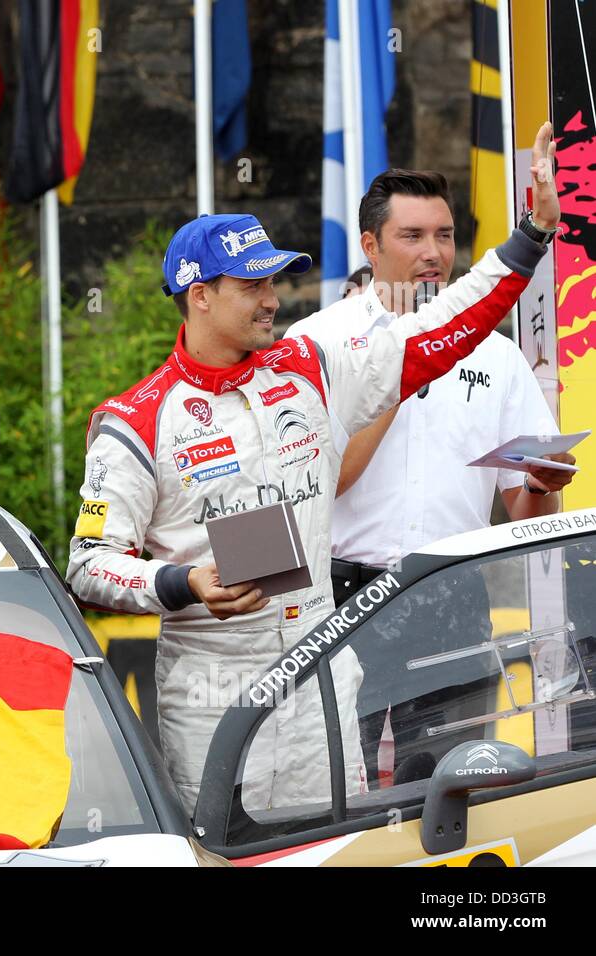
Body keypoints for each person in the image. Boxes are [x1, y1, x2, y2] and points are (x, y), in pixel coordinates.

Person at [65, 122, 559, 816]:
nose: (273, 299)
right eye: (251, 285)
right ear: (199, 294)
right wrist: (182, 581)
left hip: (320, 671)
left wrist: (531, 235)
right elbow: (88, 562)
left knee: (343, 852)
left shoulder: (311, 370)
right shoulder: (134, 420)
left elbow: (447, 324)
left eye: (276, 280)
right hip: (212, 691)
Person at [285, 168, 574, 608]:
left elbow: (523, 511)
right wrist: (401, 369)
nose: (433, 252)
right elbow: (301, 488)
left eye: (444, 235)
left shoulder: (496, 354)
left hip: (457, 591)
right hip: (343, 596)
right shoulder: (317, 341)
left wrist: (539, 485)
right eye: (412, 236)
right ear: (370, 246)